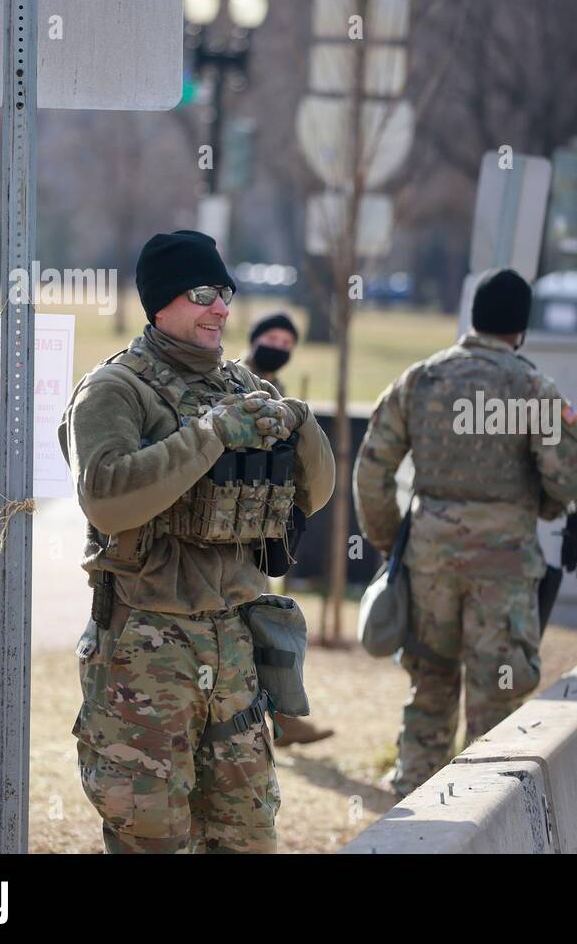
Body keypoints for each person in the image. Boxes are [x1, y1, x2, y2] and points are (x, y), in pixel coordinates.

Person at [58, 229, 336, 853]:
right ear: (161, 304)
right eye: (203, 293)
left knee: (247, 835)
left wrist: (299, 422)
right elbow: (107, 496)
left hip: (235, 645)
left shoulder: (242, 386)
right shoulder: (114, 391)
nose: (221, 308)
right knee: (153, 836)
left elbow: (313, 495)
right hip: (146, 649)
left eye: (226, 293)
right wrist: (209, 435)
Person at [353, 268, 577, 799]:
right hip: (504, 572)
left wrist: (393, 544)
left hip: (429, 562)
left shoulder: (421, 379)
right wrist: (546, 508)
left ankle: (409, 819)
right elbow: (570, 473)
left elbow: (371, 471)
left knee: (430, 692)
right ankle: (483, 820)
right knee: (495, 705)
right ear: (521, 329)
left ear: (474, 319)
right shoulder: (533, 387)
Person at [238, 311, 333, 748]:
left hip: (271, 524)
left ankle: (282, 720)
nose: (278, 344)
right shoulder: (236, 383)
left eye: (286, 339)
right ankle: (276, 723)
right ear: (255, 339)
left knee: (269, 623)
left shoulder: (282, 392)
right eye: (271, 336)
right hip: (239, 526)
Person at [241, 311, 299, 395]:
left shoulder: (278, 389)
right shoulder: (234, 378)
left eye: (286, 343)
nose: (278, 346)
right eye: (271, 338)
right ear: (255, 340)